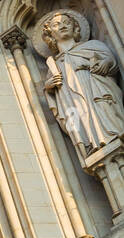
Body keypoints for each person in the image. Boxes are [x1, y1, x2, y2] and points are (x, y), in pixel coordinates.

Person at [41, 10, 124, 155]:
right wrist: (49, 86)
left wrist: (105, 63)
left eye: (67, 23)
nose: (63, 26)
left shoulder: (93, 46)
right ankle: (91, 145)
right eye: (56, 25)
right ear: (50, 35)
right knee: (82, 122)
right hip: (74, 103)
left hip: (99, 94)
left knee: (109, 120)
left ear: (75, 28)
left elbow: (111, 62)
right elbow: (56, 99)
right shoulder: (54, 65)